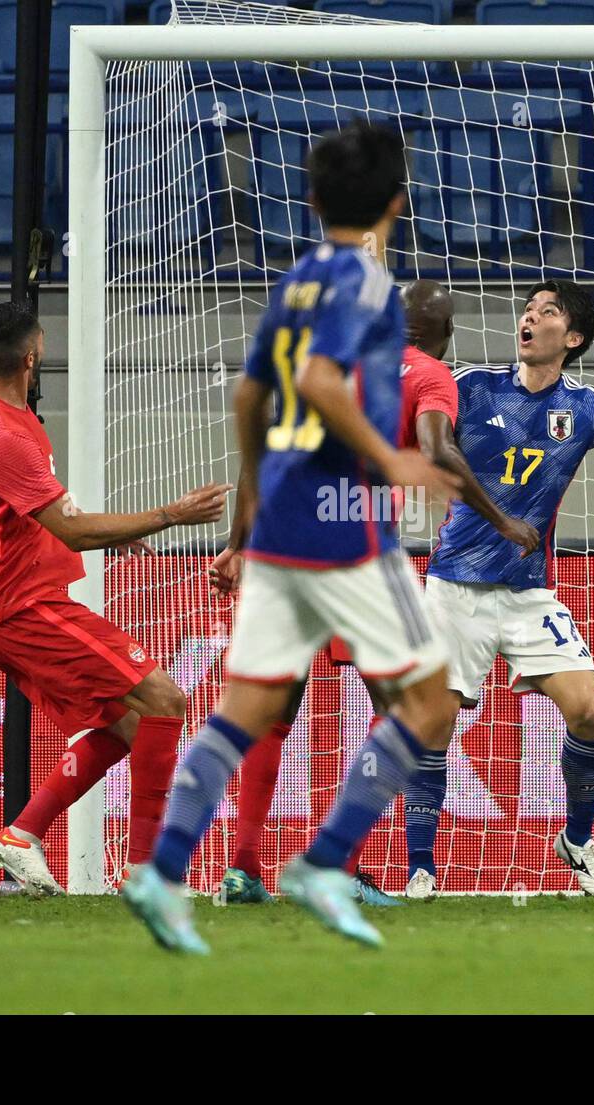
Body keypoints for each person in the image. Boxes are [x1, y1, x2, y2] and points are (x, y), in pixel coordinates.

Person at [123, 120, 461, 954]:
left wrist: (247, 513)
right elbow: (316, 380)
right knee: (430, 701)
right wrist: (392, 458)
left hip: (277, 522)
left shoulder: (295, 281)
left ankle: (163, 877)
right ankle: (324, 860)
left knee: (243, 708)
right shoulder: (371, 285)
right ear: (397, 203)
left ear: (309, 202)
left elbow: (249, 398)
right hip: (345, 525)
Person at [213, 278, 537, 906]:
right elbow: (441, 448)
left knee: (274, 713)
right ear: (446, 336)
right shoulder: (430, 375)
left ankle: (243, 870)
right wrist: (500, 520)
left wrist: (236, 545)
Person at [402, 279, 594, 899]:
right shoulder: (469, 387)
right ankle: (421, 865)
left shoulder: (588, 407)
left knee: (588, 710)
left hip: (527, 592)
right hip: (453, 586)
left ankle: (577, 838)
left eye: (548, 312)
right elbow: (416, 428)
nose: (530, 317)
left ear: (571, 339)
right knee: (436, 722)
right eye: (528, 308)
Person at [0, 301, 230, 895]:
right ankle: (148, 871)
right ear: (32, 357)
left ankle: (21, 836)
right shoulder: (4, 434)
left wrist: (120, 531)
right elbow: (69, 528)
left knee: (129, 726)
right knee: (165, 699)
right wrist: (167, 516)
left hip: (9, 601)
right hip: (20, 605)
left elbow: (43, 511)